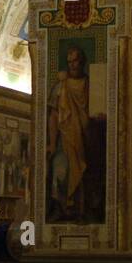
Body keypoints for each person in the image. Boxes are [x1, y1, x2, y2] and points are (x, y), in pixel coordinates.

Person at [46, 47, 90, 219]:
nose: (73, 65)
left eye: (76, 61)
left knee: (82, 171)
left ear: (82, 62)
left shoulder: (90, 85)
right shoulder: (60, 87)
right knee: (60, 168)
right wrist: (51, 142)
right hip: (64, 137)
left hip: (84, 137)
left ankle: (79, 209)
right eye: (70, 62)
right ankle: (61, 206)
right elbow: (54, 115)